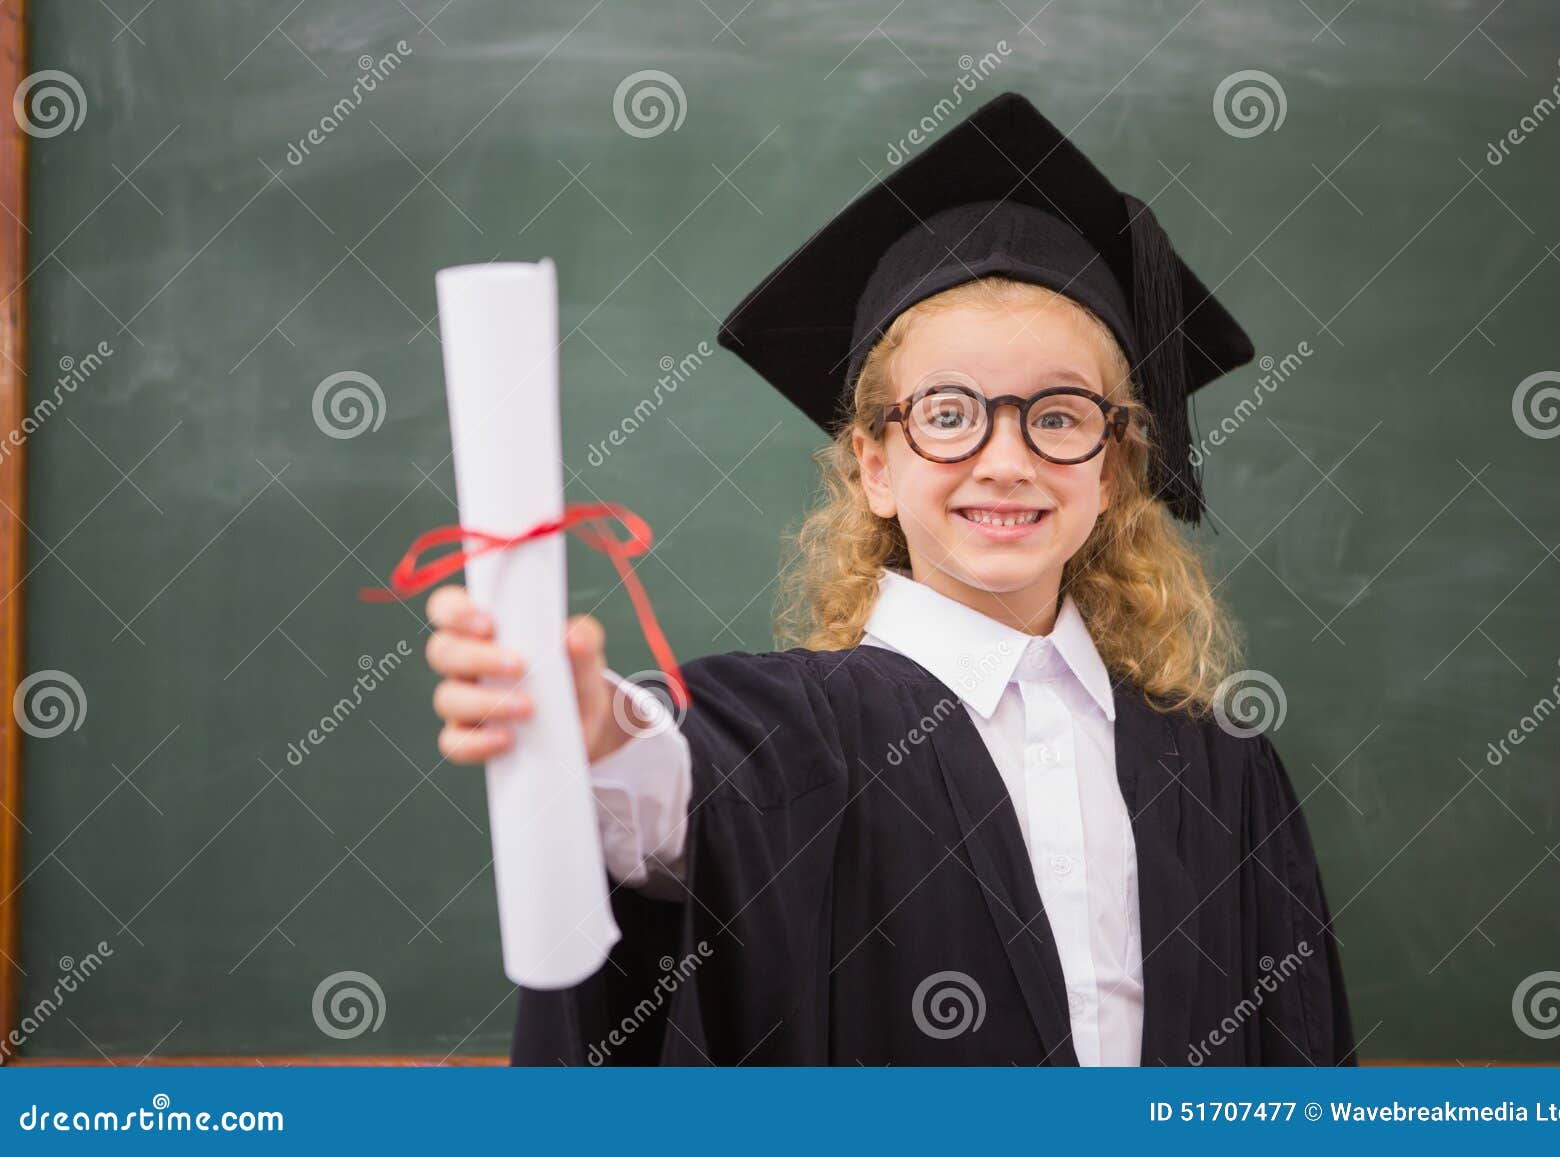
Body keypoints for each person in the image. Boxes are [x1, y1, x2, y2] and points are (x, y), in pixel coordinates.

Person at [423, 91, 1356, 1066]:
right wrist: (589, 732)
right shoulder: (793, 736)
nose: (1006, 459)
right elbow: (675, 788)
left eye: (1060, 414)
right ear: (874, 461)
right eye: (949, 414)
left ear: (1113, 464)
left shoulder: (1219, 770)